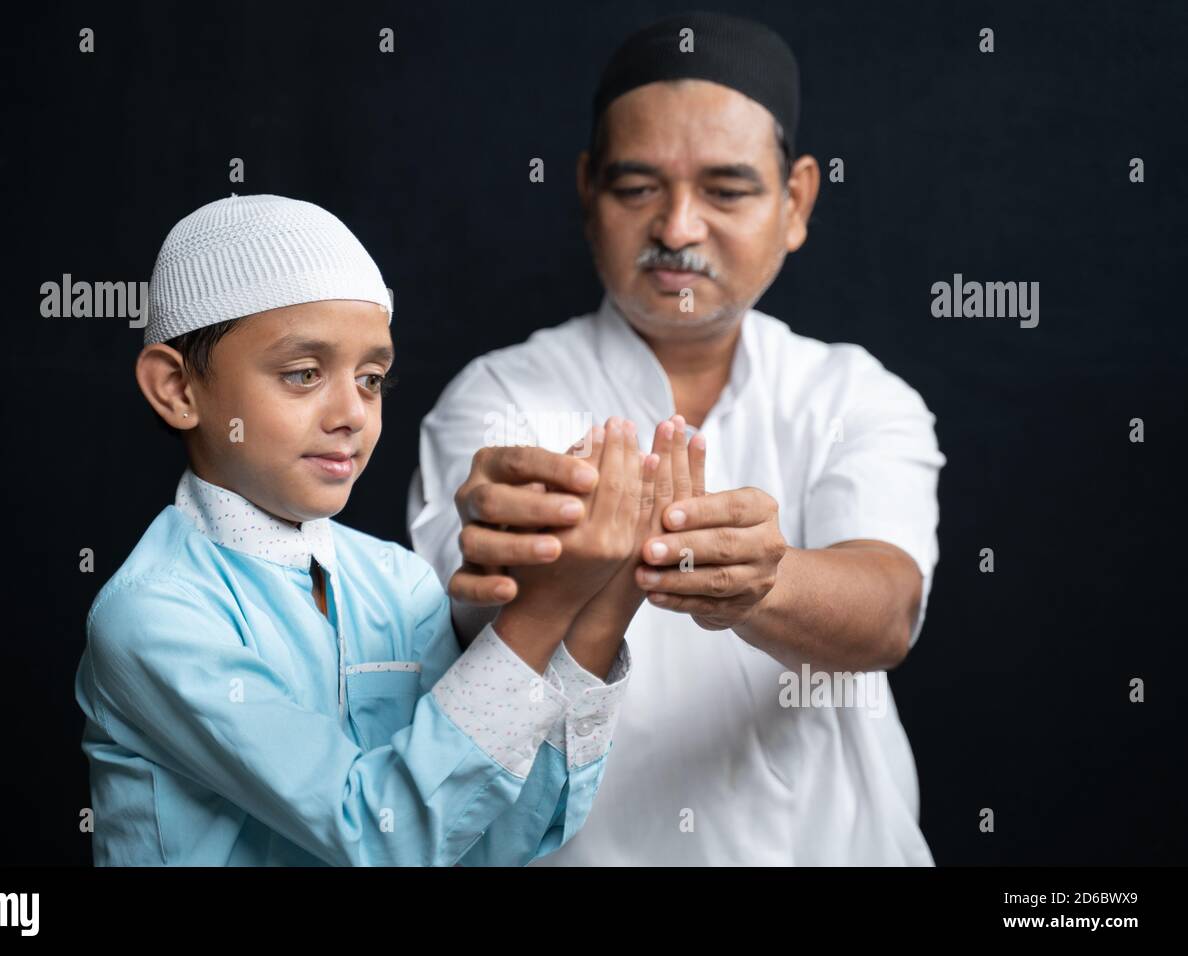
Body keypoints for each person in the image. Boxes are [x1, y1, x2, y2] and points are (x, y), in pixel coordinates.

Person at [408, 13, 947, 865]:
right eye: (637, 189)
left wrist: (761, 584)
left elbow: (889, 613)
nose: (679, 229)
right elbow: (455, 613)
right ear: (588, 191)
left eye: (727, 191)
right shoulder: (501, 395)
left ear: (796, 201)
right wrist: (506, 563)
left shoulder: (854, 393)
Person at [73, 193, 642, 866]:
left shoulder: (398, 583)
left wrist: (602, 603)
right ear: (178, 389)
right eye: (303, 374)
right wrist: (540, 615)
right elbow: (378, 835)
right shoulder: (157, 614)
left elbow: (492, 840)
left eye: (371, 378)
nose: (352, 413)